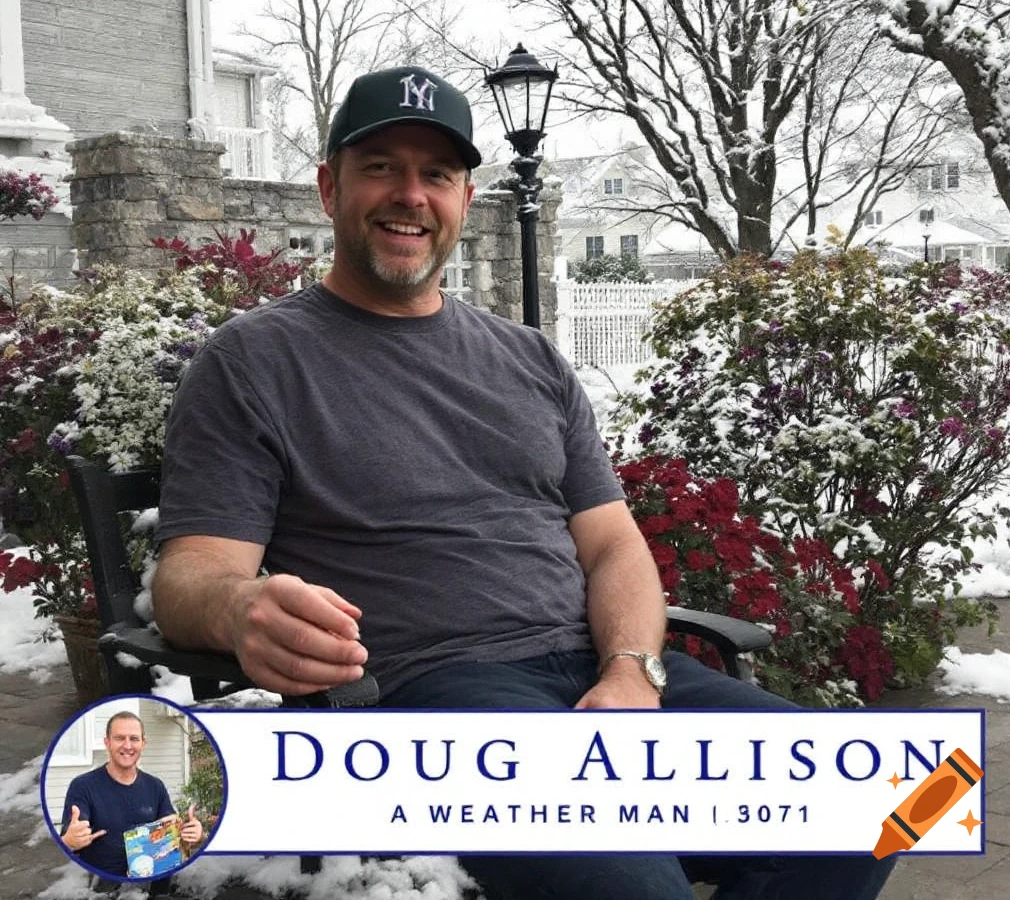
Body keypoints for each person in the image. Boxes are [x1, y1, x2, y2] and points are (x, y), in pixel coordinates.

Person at [150, 65, 896, 900]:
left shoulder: (529, 359)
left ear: (466, 199)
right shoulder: (254, 363)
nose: (411, 195)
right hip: (431, 697)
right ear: (330, 187)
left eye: (437, 174)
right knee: (633, 885)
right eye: (381, 167)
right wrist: (238, 606)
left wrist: (629, 671)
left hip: (596, 675)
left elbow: (613, 543)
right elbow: (192, 573)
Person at [59, 712, 203, 885]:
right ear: (107, 742)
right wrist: (70, 841)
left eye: (134, 739)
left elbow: (170, 832)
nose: (127, 745)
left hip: (150, 888)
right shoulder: (83, 786)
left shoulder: (155, 786)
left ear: (143, 743)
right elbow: (66, 844)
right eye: (120, 738)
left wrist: (193, 835)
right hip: (102, 889)